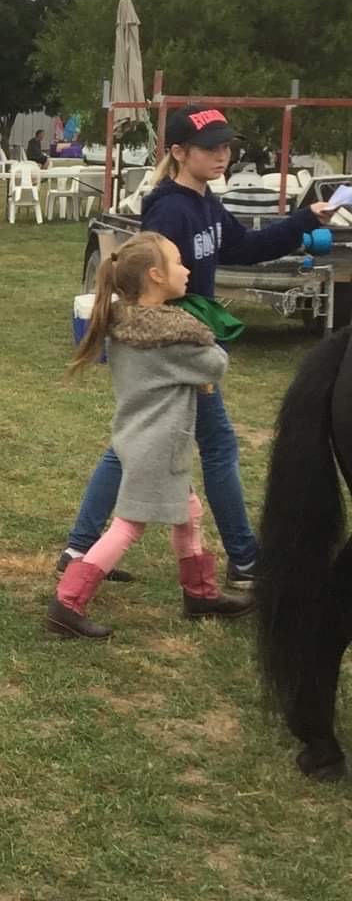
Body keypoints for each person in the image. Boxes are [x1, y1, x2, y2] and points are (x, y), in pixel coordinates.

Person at [57, 103, 334, 588]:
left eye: (227, 146)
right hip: (170, 342)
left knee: (130, 446)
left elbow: (243, 248)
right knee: (218, 446)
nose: (223, 155)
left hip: (182, 339)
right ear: (179, 152)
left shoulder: (205, 201)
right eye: (211, 148)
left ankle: (78, 548)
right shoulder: (171, 209)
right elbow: (150, 283)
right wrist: (179, 349)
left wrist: (301, 221)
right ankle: (247, 561)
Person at [48, 233, 251, 639]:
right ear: (156, 276)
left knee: (188, 512)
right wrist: (203, 349)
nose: (187, 269)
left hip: (142, 438)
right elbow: (215, 363)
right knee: (128, 527)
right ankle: (67, 603)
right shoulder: (170, 336)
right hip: (160, 444)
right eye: (179, 263)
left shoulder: (124, 323)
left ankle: (200, 594)